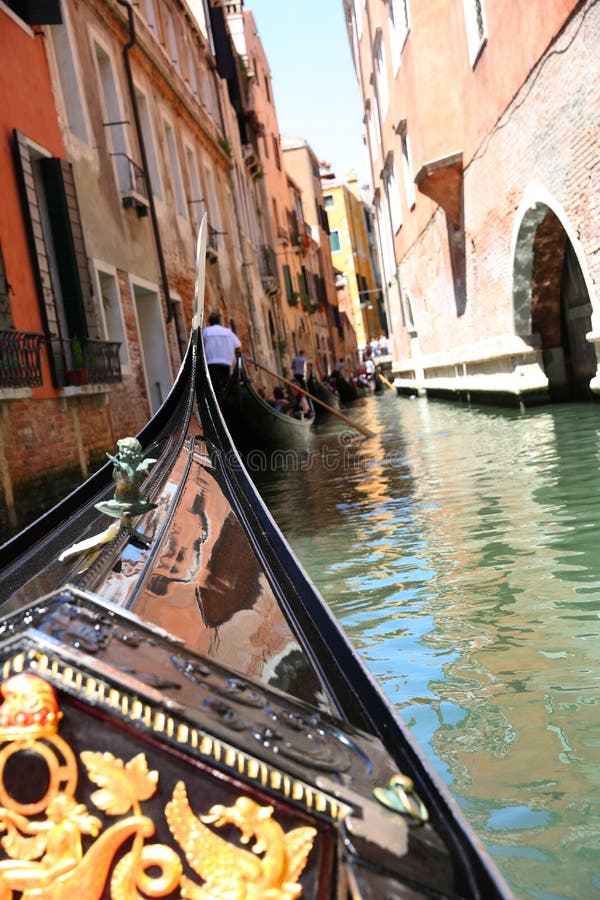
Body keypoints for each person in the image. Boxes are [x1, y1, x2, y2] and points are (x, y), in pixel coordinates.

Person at [202, 311, 241, 401]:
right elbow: (238, 346)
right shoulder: (228, 332)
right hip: (225, 363)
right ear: (219, 321)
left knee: (214, 386)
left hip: (211, 363)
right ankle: (224, 403)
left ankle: (217, 403)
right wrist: (236, 354)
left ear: (209, 322)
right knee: (225, 385)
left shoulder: (206, 332)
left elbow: (201, 346)